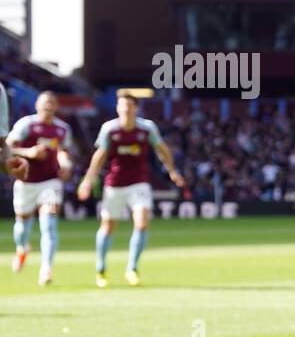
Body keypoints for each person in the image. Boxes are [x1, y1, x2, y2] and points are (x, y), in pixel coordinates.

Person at [76, 90, 185, 287]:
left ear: (135, 108)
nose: (125, 109)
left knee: (142, 222)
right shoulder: (109, 129)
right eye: (122, 106)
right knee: (108, 227)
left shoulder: (147, 128)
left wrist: (172, 171)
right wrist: (88, 179)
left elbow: (162, 149)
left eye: (129, 106)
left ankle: (132, 268)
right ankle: (101, 269)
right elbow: (100, 155)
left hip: (139, 181)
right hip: (115, 183)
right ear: (117, 108)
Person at [6, 91, 73, 284]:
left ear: (56, 106)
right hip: (26, 182)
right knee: (22, 224)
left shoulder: (62, 129)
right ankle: (21, 248)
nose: (48, 106)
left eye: (52, 102)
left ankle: (46, 269)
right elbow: (7, 148)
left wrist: (66, 164)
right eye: (45, 103)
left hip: (50, 183)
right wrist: (29, 152)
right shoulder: (26, 125)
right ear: (37, 105)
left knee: (49, 224)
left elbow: (63, 152)